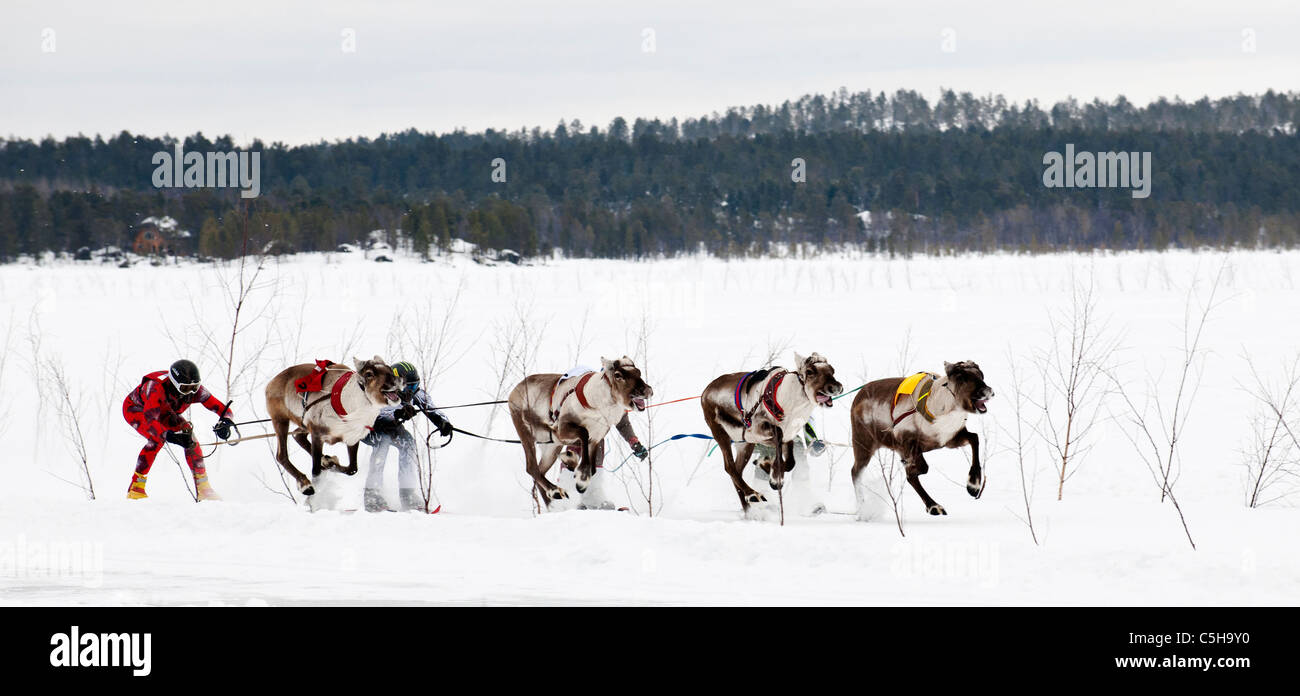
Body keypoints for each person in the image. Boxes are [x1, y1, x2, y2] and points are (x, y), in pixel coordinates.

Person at [122, 359, 234, 500]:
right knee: (157, 439)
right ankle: (135, 488)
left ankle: (203, 488)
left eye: (194, 387)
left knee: (189, 436)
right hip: (137, 409)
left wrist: (226, 421)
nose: (190, 393)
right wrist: (170, 436)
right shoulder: (156, 388)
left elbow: (222, 408)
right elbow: (151, 421)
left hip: (165, 411)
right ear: (174, 384)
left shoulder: (195, 391)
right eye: (185, 388)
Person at [361, 361, 453, 512]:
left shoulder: (414, 393)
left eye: (414, 386)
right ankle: (372, 495)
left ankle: (407, 494)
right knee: (382, 442)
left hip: (392, 427)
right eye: (408, 386)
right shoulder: (381, 390)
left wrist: (442, 422)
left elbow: (430, 408)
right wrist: (397, 413)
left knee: (409, 443)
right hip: (369, 427)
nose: (411, 391)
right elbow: (376, 412)